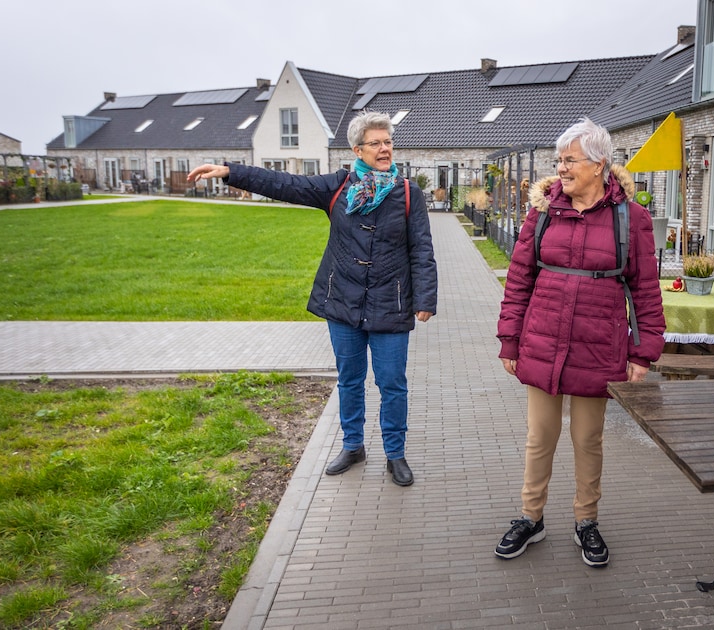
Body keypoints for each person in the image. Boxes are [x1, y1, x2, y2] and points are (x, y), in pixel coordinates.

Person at [187, 111, 437, 487]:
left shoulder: (407, 193)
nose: (385, 149)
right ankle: (353, 445)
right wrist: (229, 172)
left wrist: (426, 298)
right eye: (376, 143)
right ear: (357, 149)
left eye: (388, 142)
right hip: (342, 303)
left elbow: (422, 248)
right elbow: (285, 183)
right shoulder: (336, 187)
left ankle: (395, 453)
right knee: (350, 380)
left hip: (391, 304)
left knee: (392, 383)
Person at [493, 118, 665, 567]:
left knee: (588, 438)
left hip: (598, 343)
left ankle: (586, 522)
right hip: (542, 339)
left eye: (569, 160)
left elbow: (646, 289)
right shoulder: (543, 213)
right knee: (539, 437)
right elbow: (518, 280)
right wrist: (510, 339)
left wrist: (643, 351)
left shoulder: (632, 218)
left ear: (598, 164)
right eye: (559, 160)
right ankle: (531, 518)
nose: (561, 168)